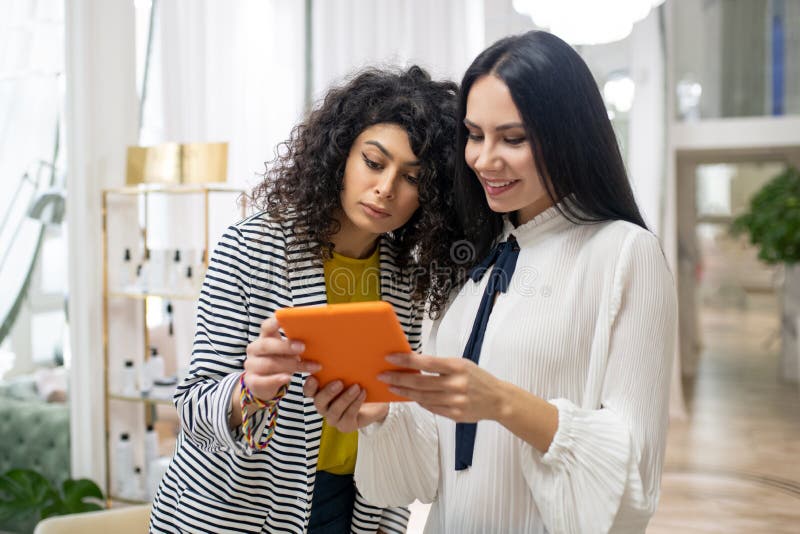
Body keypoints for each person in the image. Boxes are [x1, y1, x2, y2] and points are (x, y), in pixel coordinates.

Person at [309, 31, 677, 533]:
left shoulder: (624, 254)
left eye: (513, 138)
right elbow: (429, 472)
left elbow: (634, 477)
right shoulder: (466, 260)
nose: (484, 159)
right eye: (474, 135)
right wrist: (381, 416)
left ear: (567, 135)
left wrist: (503, 403)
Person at [149, 65, 460, 534]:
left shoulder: (409, 277)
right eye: (374, 163)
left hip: (351, 508)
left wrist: (386, 517)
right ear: (341, 154)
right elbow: (193, 406)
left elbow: (397, 409)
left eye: (412, 178)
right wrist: (252, 390)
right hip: (237, 511)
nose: (386, 189)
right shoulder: (252, 246)